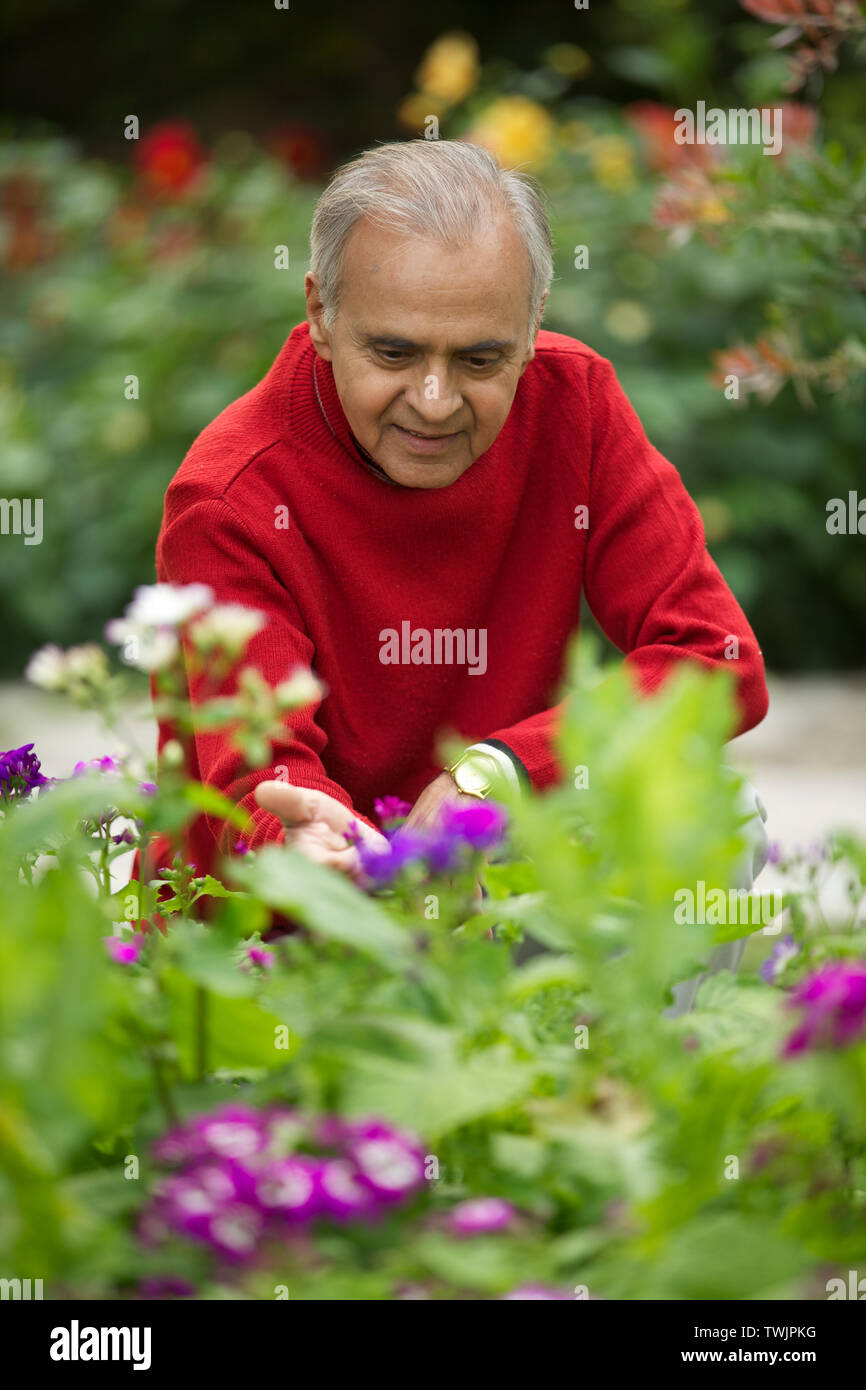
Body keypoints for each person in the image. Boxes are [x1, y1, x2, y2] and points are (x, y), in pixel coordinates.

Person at [147, 138, 769, 897]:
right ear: (320, 312)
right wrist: (319, 847)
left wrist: (496, 772)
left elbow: (717, 661)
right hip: (297, 930)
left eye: (479, 360)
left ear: (534, 322)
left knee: (720, 817)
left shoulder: (574, 404)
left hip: (495, 871)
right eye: (394, 354)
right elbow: (252, 784)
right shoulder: (231, 495)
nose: (435, 402)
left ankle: (622, 1021)